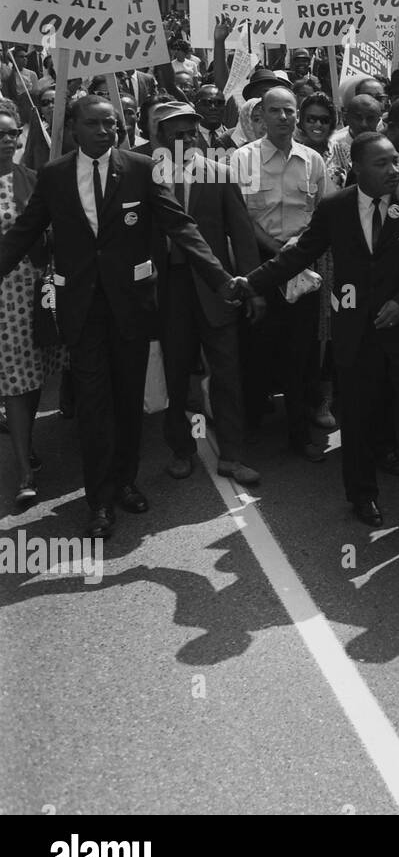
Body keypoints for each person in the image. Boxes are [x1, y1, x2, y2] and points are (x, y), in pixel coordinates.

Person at [0, 96, 233, 537]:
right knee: (93, 405)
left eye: (112, 124)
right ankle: (99, 501)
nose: (106, 131)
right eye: (95, 123)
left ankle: (126, 481)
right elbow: (23, 234)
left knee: (129, 401)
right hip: (81, 310)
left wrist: (220, 278)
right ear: (72, 128)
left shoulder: (142, 170)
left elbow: (180, 226)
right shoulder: (54, 176)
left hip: (132, 308)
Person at [228, 133, 399, 536]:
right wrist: (251, 283)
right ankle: (362, 496)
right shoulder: (335, 208)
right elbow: (298, 253)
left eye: (394, 162)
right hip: (356, 334)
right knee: (359, 420)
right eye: (381, 164)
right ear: (358, 169)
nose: (393, 169)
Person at [152, 102, 263, 487]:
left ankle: (232, 455)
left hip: (217, 288)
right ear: (161, 136)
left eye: (191, 132)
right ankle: (182, 450)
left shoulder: (220, 173)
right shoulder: (145, 176)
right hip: (170, 288)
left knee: (227, 372)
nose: (185, 139)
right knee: (176, 373)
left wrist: (253, 287)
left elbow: (242, 235)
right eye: (176, 133)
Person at [232, 87, 331, 462]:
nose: (284, 118)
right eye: (275, 111)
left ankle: (298, 433)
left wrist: (299, 251)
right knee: (257, 349)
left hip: (304, 267)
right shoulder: (242, 159)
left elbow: (321, 213)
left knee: (300, 353)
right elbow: (242, 218)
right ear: (261, 116)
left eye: (290, 111)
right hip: (260, 264)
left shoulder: (313, 160)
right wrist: (279, 254)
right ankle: (252, 427)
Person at [0, 109, 65, 508]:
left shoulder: (30, 180)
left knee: (34, 374)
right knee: (15, 382)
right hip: (3, 296)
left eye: (12, 134)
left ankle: (25, 440)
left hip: (35, 291)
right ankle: (23, 468)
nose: (7, 140)